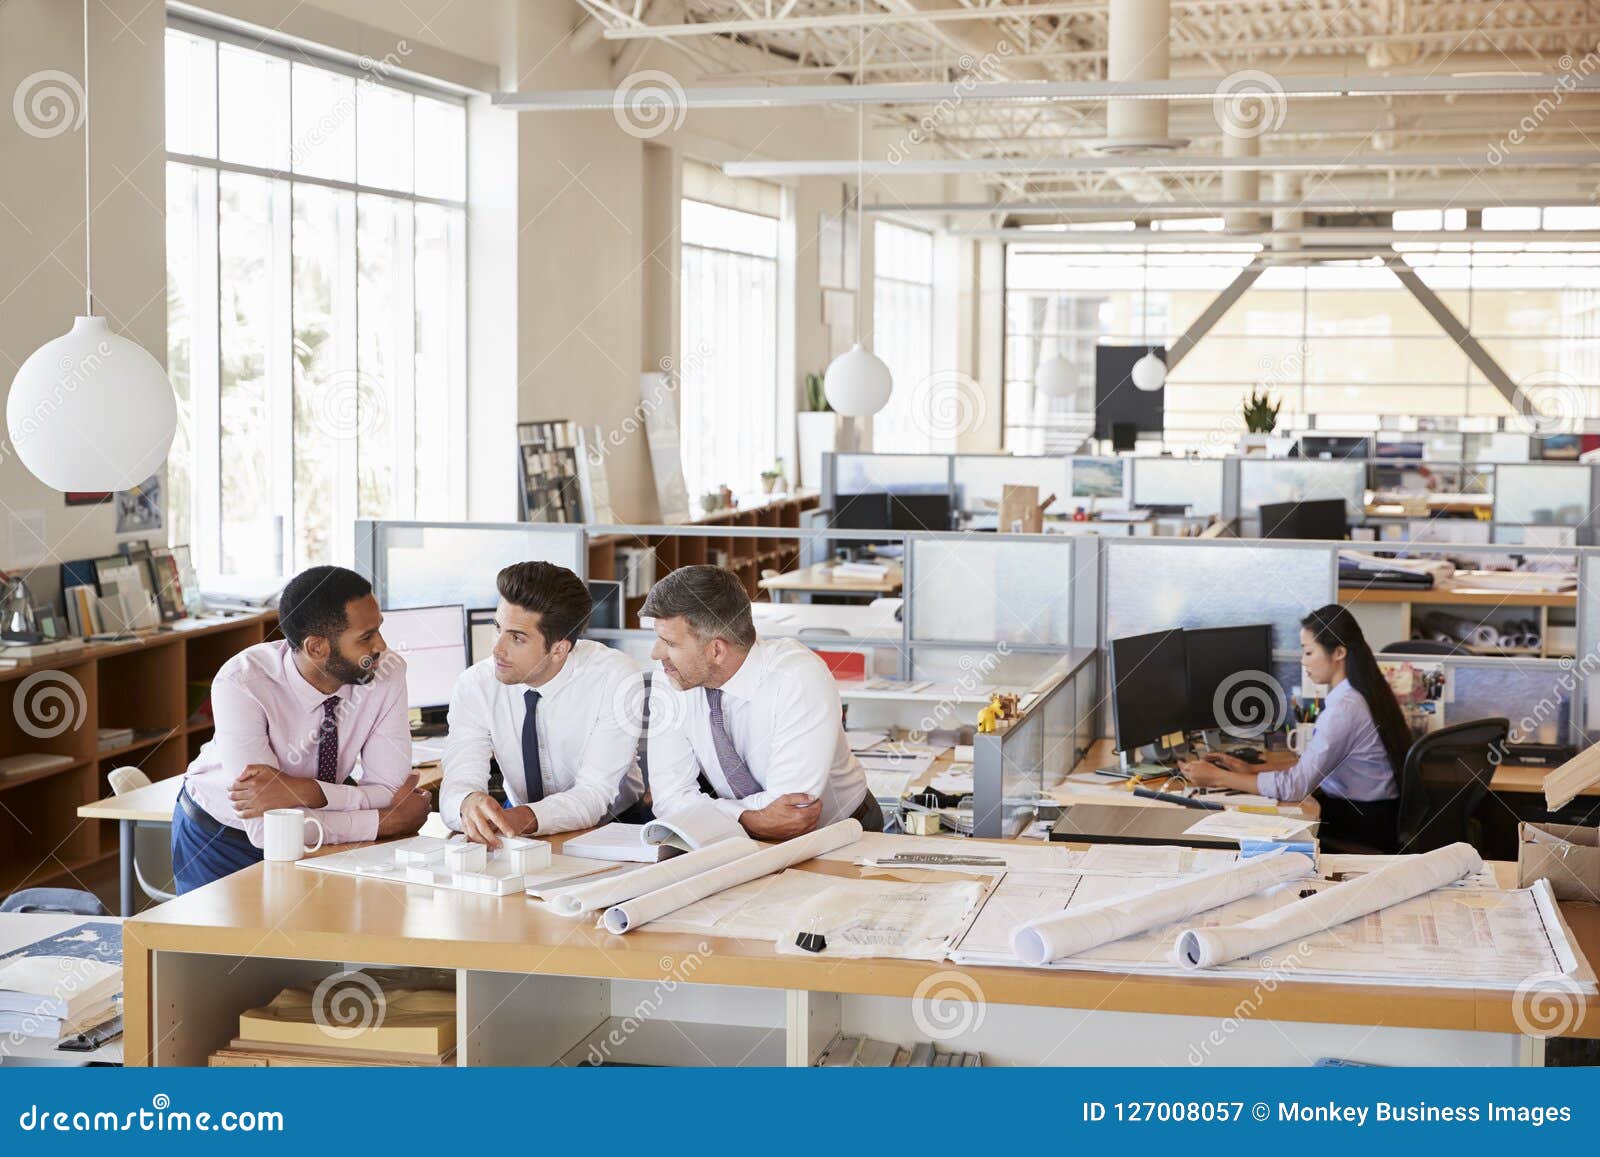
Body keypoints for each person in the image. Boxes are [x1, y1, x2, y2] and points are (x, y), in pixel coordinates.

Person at [172, 566, 431, 892]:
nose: (382, 645)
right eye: (366, 637)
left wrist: (304, 791)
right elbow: (268, 830)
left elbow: (389, 792)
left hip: (321, 827)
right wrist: (381, 821)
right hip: (222, 838)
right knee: (226, 943)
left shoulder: (385, 671)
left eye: (378, 629)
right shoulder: (242, 682)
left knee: (321, 935)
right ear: (316, 648)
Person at [641, 565, 883, 837]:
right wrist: (747, 818)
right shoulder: (671, 678)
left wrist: (714, 813)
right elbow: (669, 799)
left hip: (841, 831)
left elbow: (793, 808)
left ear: (716, 650)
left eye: (669, 642)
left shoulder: (797, 678)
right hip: (743, 837)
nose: (655, 653)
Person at [441, 562, 644, 846]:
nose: (497, 648)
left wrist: (520, 819)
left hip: (617, 824)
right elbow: (457, 782)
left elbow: (594, 795)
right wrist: (467, 802)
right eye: (497, 627)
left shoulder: (615, 677)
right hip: (522, 824)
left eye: (516, 638)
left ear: (559, 649)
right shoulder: (475, 685)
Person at [1180, 603, 1411, 852]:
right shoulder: (1360, 693)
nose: (1302, 661)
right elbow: (1309, 767)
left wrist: (1218, 777)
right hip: (1370, 816)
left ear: (1339, 653)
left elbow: (1295, 787)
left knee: (1251, 837)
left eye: (1309, 652)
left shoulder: (1345, 708)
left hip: (1359, 827)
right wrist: (1252, 770)